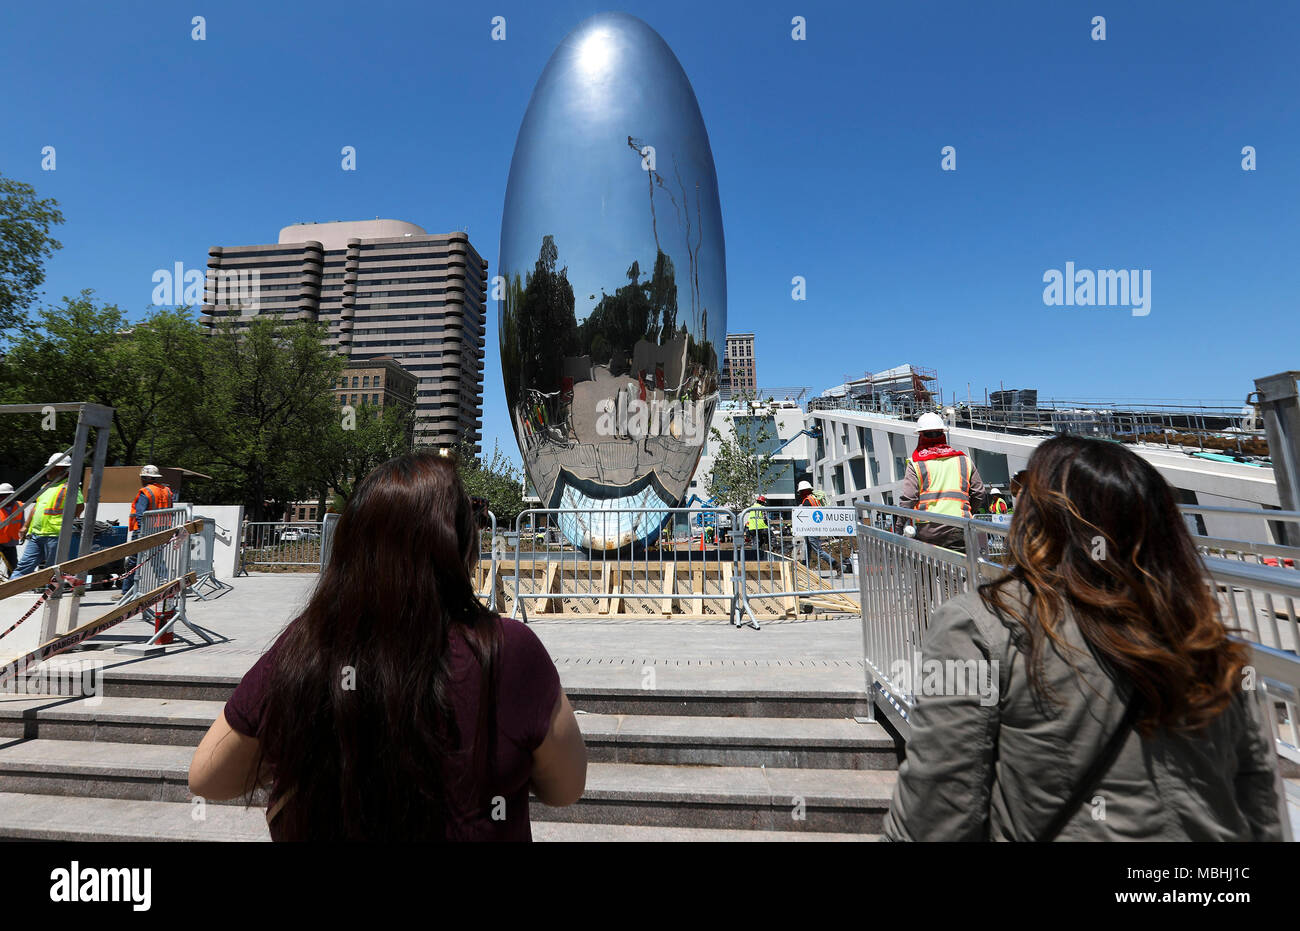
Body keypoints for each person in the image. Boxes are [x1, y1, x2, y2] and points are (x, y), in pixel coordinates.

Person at [882, 435, 1284, 841]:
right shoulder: (1208, 638)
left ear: (1038, 520)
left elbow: (936, 811)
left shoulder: (980, 626)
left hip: (932, 534)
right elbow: (1261, 804)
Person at [188, 450, 587, 840]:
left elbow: (208, 776)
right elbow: (565, 788)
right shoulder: (509, 650)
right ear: (459, 549)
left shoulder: (309, 644)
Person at [899, 412, 986, 552]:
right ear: (943, 434)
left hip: (928, 530)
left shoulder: (916, 464)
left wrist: (898, 527)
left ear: (920, 436)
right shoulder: (964, 460)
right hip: (959, 526)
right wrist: (967, 512)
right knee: (961, 571)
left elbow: (909, 499)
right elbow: (979, 493)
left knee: (929, 572)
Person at [14, 453, 84, 577]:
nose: (47, 471)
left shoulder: (70, 486)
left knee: (52, 570)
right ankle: (8, 593)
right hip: (36, 534)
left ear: (59, 469)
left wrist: (67, 524)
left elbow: (79, 506)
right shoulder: (45, 486)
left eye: (50, 468)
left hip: (55, 535)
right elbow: (36, 508)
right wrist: (25, 526)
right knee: (23, 566)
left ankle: (49, 594)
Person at [122, 465, 175, 591]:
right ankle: (164, 586)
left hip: (144, 530)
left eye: (142, 477)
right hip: (161, 530)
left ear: (146, 478)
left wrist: (141, 531)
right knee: (157, 560)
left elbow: (141, 514)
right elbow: (171, 510)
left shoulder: (146, 491)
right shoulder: (166, 491)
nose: (141, 480)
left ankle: (127, 591)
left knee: (133, 561)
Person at [795, 479, 839, 571]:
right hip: (813, 527)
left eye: (801, 492)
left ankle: (835, 564)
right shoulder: (814, 498)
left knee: (817, 550)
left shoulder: (807, 501)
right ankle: (804, 568)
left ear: (804, 491)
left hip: (812, 528)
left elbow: (806, 516)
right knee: (807, 548)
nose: (800, 494)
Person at [0, 483, 23, 577]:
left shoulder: (19, 506)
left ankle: (12, 586)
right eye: (1, 496)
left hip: (10, 543)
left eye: (6, 495)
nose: (3, 498)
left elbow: (22, 523)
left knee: (13, 568)